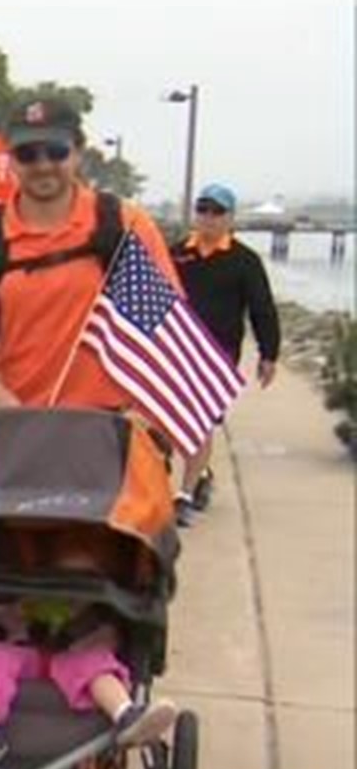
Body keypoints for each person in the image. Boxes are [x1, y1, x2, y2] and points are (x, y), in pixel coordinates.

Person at [0, 98, 179, 420]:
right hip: (20, 427)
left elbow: (162, 327)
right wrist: (7, 405)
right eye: (27, 154)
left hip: (112, 427)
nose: (42, 165)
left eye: (56, 151)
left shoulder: (123, 226)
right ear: (10, 160)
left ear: (78, 152)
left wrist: (144, 412)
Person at [0, 524, 179, 763]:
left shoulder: (101, 615)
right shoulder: (25, 600)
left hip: (75, 657)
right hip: (22, 653)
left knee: (96, 664)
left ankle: (126, 716)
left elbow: (110, 643)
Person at [170, 182, 281, 526]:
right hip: (176, 351)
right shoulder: (175, 253)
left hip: (217, 357)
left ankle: (184, 495)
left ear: (230, 217)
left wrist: (268, 353)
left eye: (217, 211)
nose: (209, 217)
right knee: (172, 424)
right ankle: (201, 475)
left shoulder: (244, 261)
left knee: (201, 423)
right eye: (203, 209)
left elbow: (262, 309)